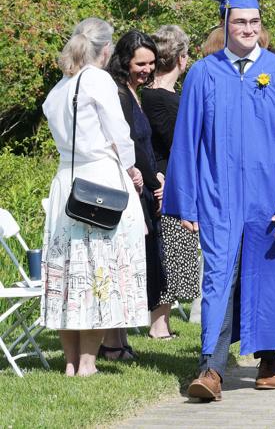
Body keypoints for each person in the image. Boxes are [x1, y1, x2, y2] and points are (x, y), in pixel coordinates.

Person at [163, 0, 275, 402]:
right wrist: (186, 203)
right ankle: (210, 368)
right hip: (218, 196)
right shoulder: (203, 74)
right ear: (225, 25)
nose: (247, 28)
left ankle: (269, 357)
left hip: (272, 198)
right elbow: (186, 143)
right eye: (239, 21)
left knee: (270, 277)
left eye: (254, 21)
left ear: (260, 26)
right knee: (217, 279)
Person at [40, 17, 149, 376]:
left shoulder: (60, 87)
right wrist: (132, 169)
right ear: (106, 50)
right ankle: (87, 363)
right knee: (98, 267)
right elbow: (119, 132)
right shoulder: (97, 80)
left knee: (69, 271)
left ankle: (71, 363)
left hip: (66, 181)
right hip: (99, 178)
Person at [102, 30, 164, 360]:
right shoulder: (118, 93)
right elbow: (131, 146)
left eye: (152, 63)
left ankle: (119, 339)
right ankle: (112, 343)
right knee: (121, 265)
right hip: (130, 190)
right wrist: (155, 183)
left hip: (144, 186)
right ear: (125, 61)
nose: (148, 69)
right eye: (141, 63)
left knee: (131, 266)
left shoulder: (133, 92)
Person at [141, 25, 201, 339]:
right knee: (169, 254)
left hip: (166, 181)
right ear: (180, 59)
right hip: (165, 184)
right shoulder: (162, 99)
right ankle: (158, 324)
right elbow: (181, 144)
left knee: (171, 253)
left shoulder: (154, 95)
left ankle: (161, 322)